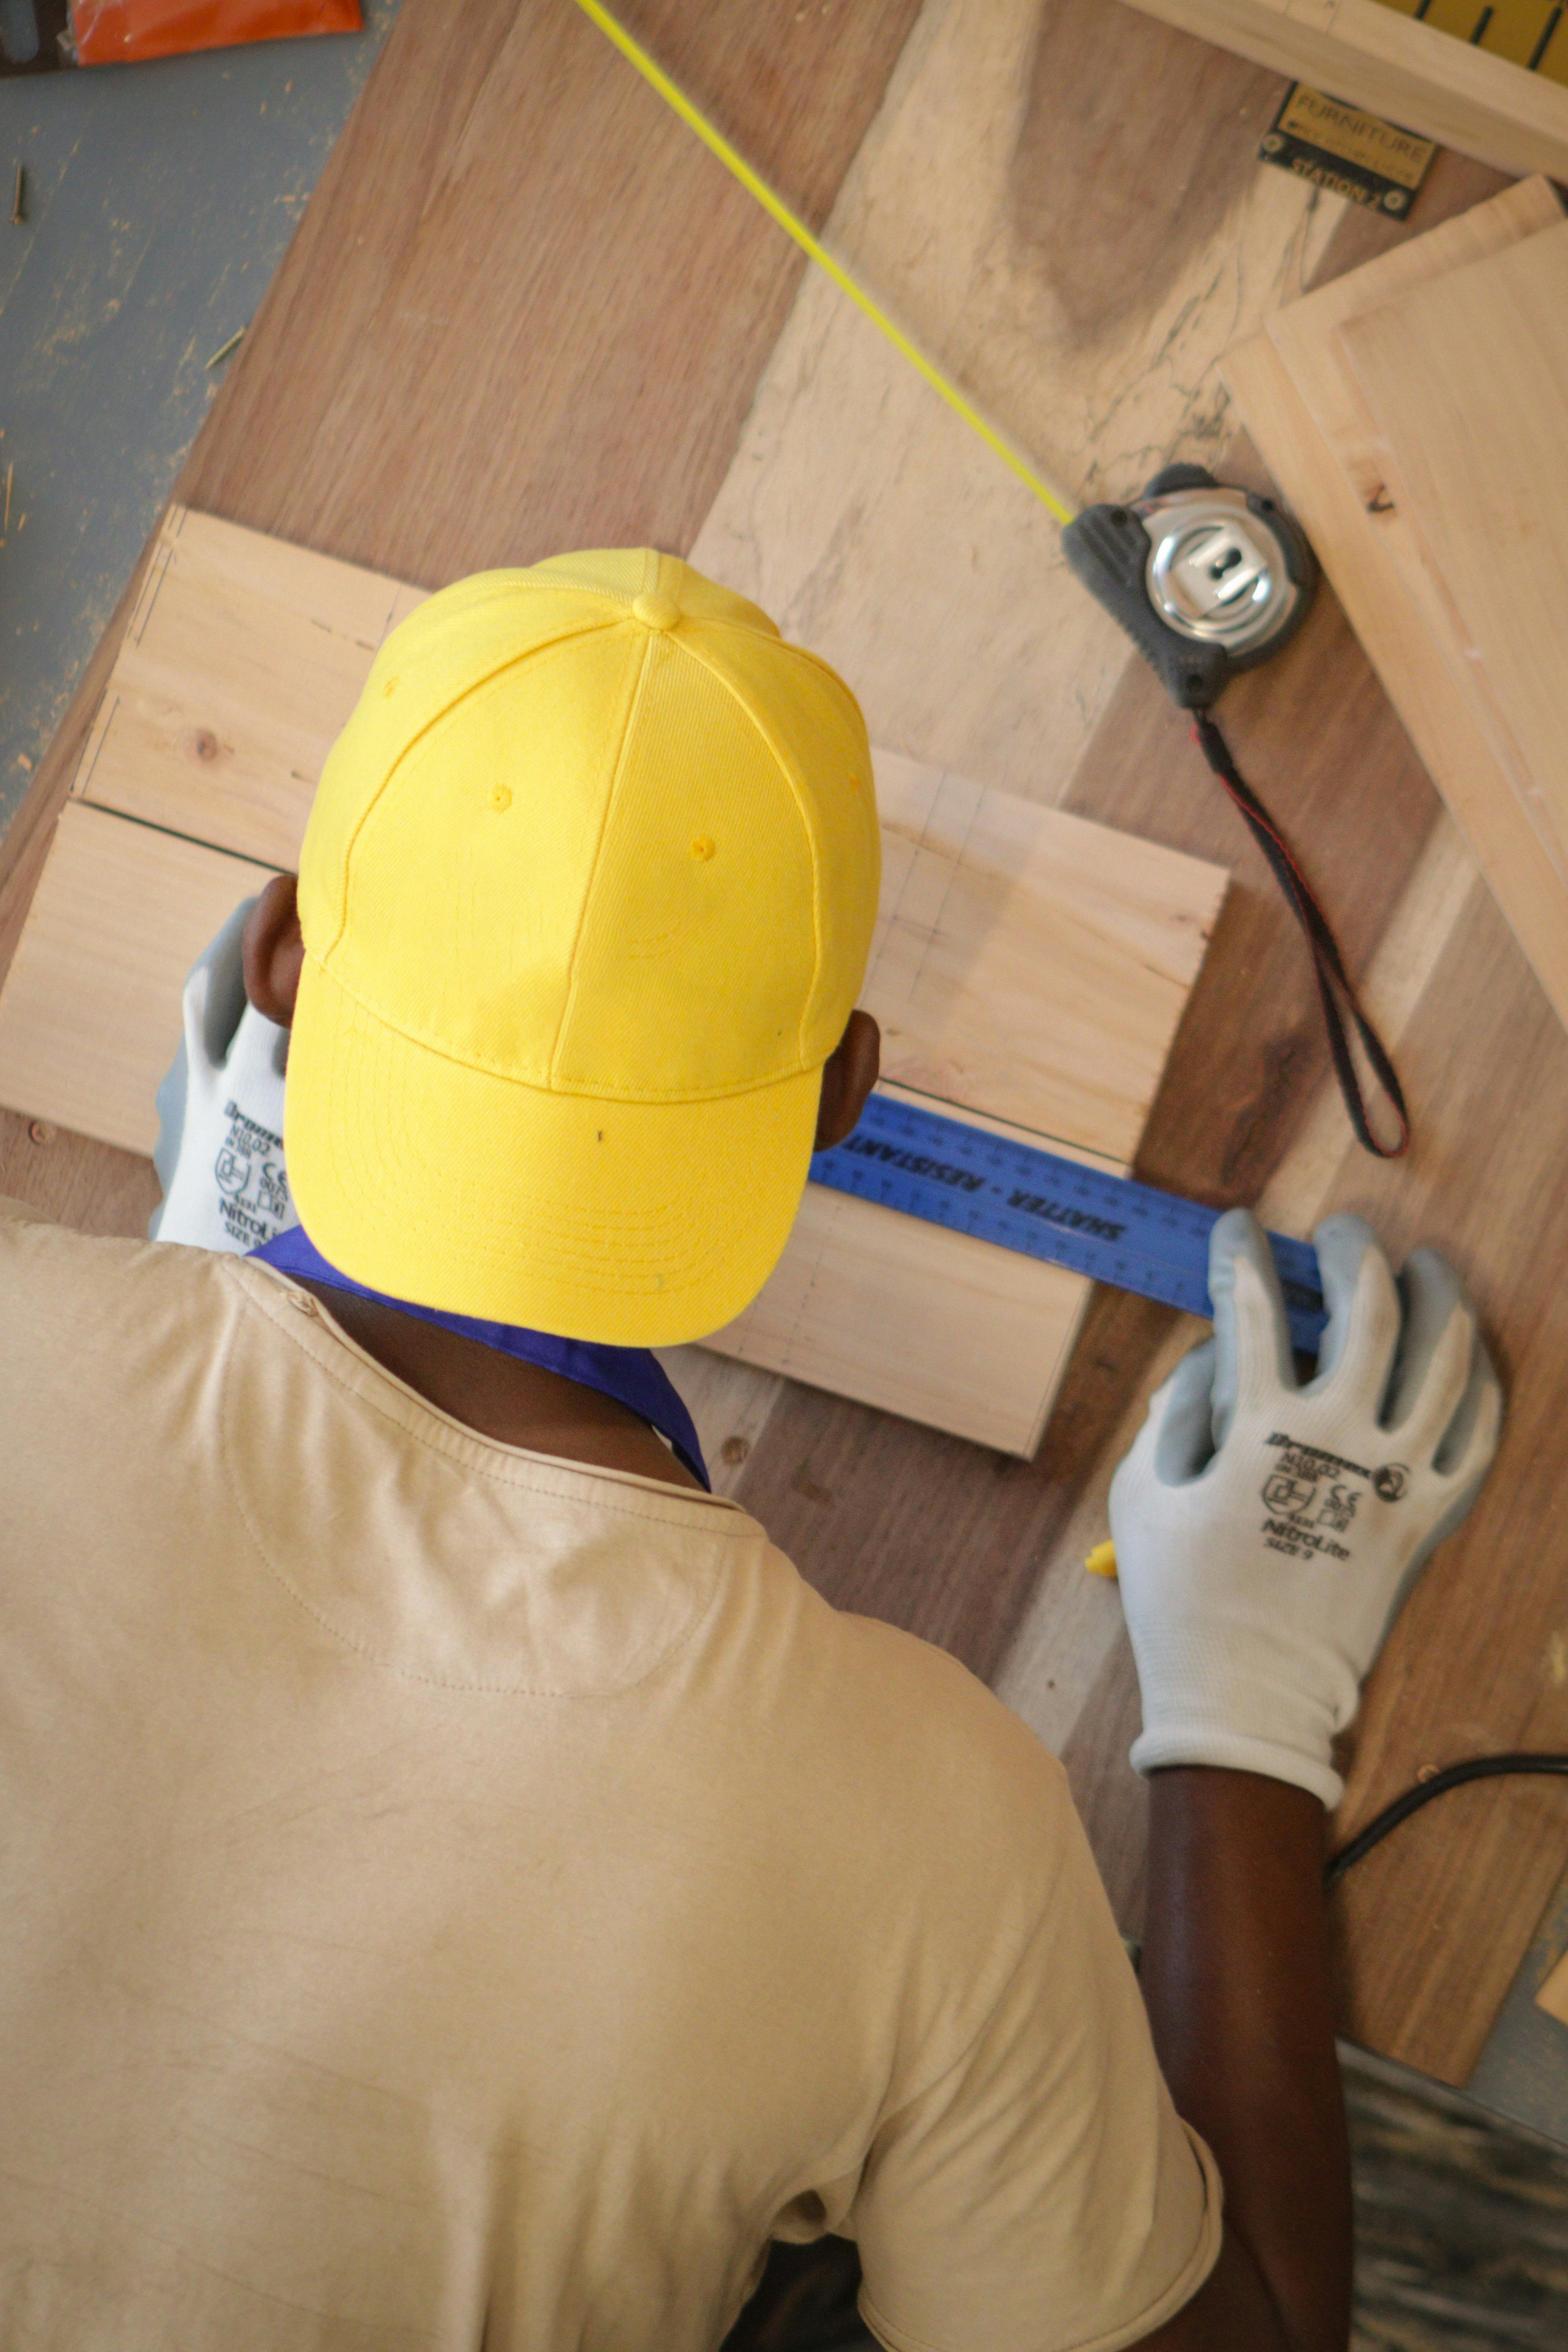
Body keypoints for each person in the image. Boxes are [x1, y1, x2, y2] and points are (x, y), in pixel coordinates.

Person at [0, 550, 1500, 2352]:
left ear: (283, 963)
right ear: (843, 1099)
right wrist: (1246, 1717)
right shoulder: (922, 1830)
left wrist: (192, 1310)